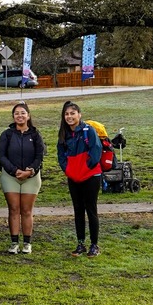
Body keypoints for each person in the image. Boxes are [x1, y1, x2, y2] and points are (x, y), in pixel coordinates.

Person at [57, 101, 103, 257]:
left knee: (91, 209)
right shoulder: (64, 134)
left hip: (90, 176)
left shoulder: (88, 130)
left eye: (72, 113)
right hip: (73, 177)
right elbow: (61, 154)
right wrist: (68, 170)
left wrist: (85, 168)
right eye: (66, 114)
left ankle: (94, 245)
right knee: (78, 210)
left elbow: (96, 151)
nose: (69, 117)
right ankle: (81, 243)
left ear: (79, 115)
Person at [0, 101, 45, 255]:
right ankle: (14, 242)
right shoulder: (7, 134)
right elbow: (1, 156)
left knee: (26, 210)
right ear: (13, 116)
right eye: (16, 113)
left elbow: (39, 156)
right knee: (14, 209)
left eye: (23, 113)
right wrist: (15, 170)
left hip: (31, 177)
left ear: (28, 116)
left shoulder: (35, 135)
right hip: (10, 176)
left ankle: (27, 243)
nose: (20, 116)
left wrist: (30, 171)